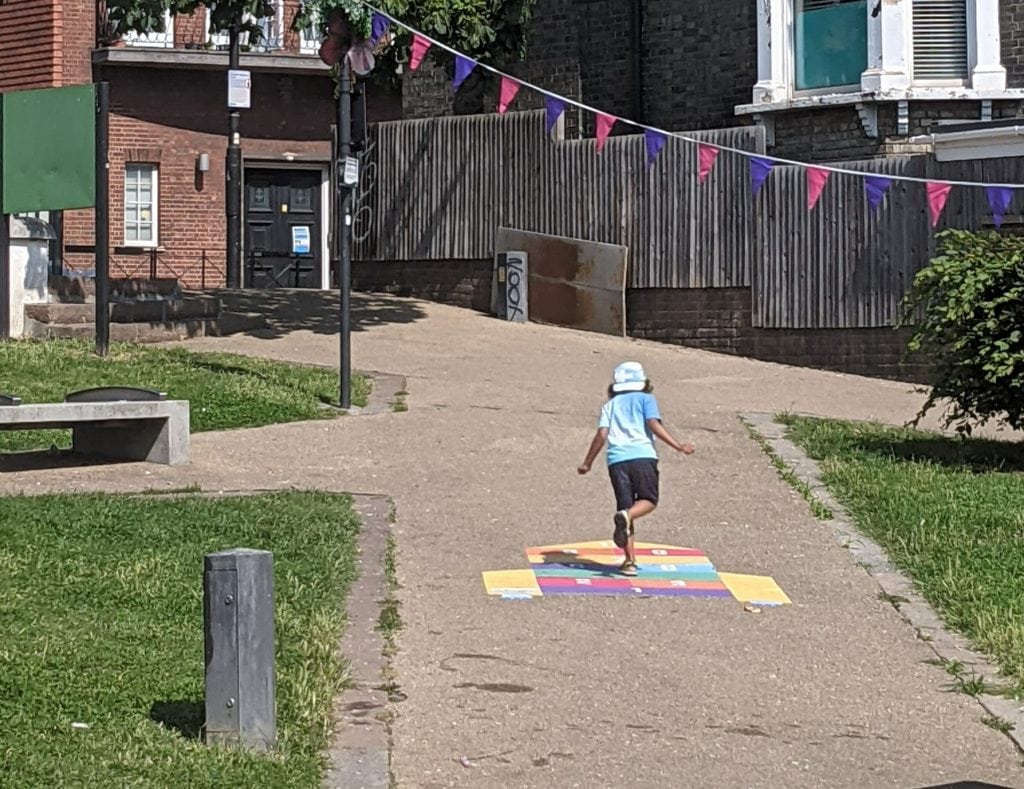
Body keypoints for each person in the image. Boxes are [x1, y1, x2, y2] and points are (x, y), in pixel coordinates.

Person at [578, 361, 694, 576]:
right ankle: (627, 516)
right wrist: (678, 445)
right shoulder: (646, 399)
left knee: (625, 506)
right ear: (644, 383)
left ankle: (630, 561)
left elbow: (602, 435)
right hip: (643, 456)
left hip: (617, 460)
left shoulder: (609, 406)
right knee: (648, 501)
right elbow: (653, 424)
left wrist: (588, 462)